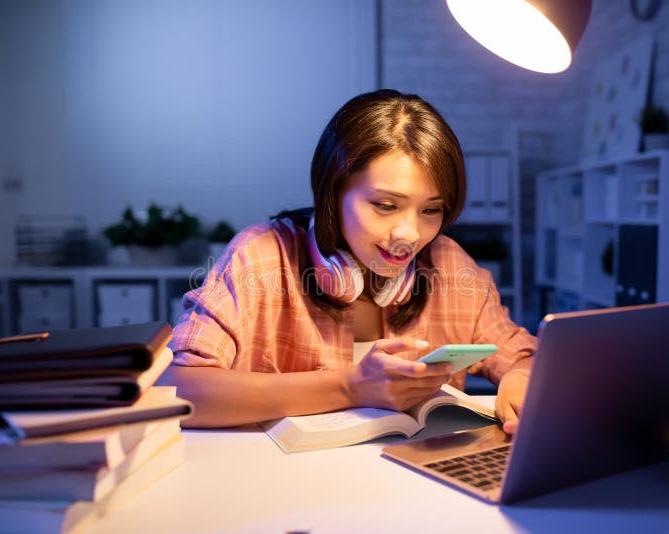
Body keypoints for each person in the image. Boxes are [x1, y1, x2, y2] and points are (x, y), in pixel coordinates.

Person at [161, 89, 536, 434]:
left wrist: (519, 378)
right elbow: (181, 389)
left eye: (431, 210)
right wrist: (352, 386)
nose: (409, 234)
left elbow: (524, 356)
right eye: (386, 206)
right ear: (333, 191)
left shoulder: (449, 264)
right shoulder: (261, 255)